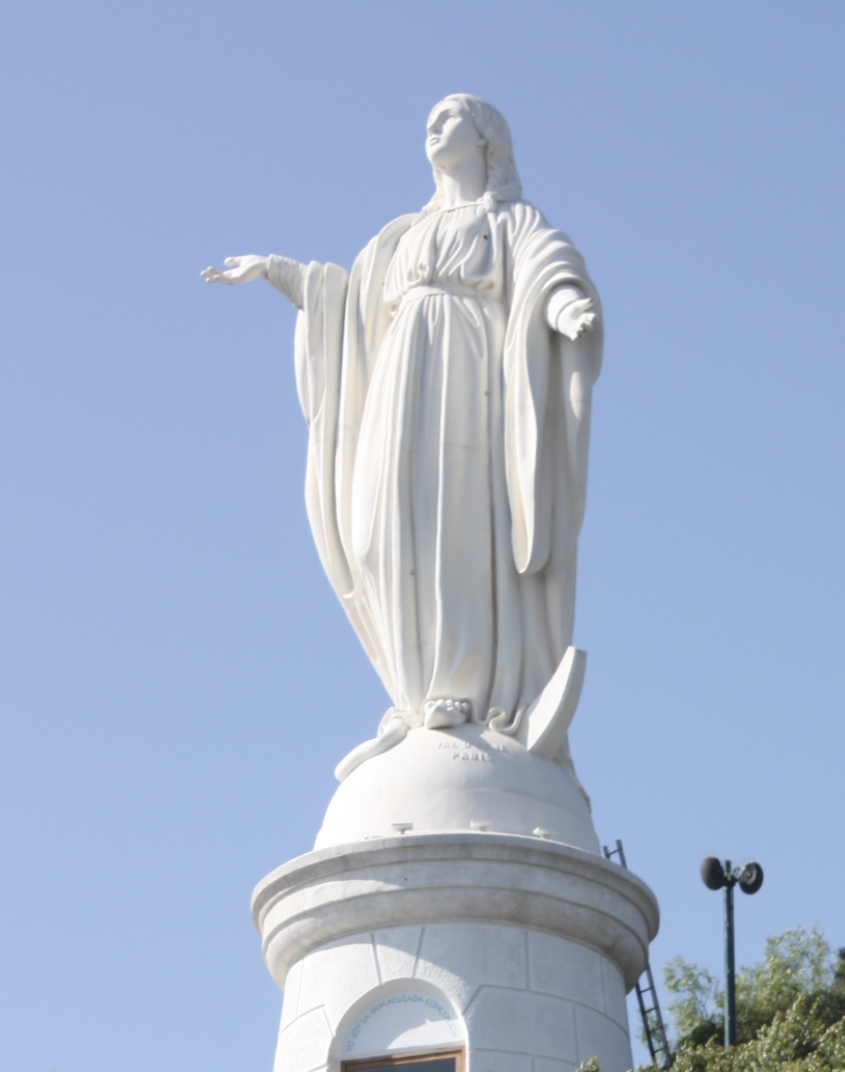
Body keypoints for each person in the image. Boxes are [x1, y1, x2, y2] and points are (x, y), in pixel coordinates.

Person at [203, 95, 602, 777]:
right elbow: (355, 305)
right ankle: (415, 693)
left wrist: (566, 307)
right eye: (430, 119)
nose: (433, 126)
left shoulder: (507, 219)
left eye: (451, 117)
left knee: (456, 524)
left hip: (469, 374)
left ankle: (465, 684)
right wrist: (281, 271)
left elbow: (546, 267)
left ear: (486, 141)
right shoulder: (403, 234)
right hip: (400, 379)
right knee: (382, 527)